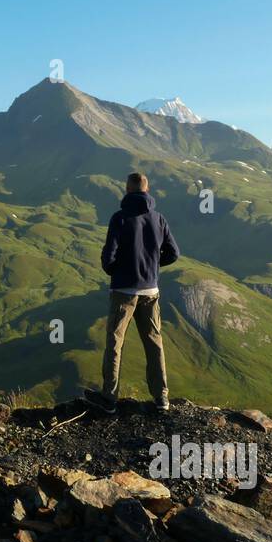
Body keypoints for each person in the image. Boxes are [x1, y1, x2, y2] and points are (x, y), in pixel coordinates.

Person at [97, 172, 180, 413]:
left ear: (127, 189)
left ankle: (109, 398)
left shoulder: (120, 218)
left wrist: (116, 270)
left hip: (123, 289)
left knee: (115, 342)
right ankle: (161, 398)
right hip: (150, 290)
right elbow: (173, 253)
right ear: (147, 189)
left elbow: (108, 255)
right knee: (154, 342)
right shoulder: (159, 218)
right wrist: (152, 267)